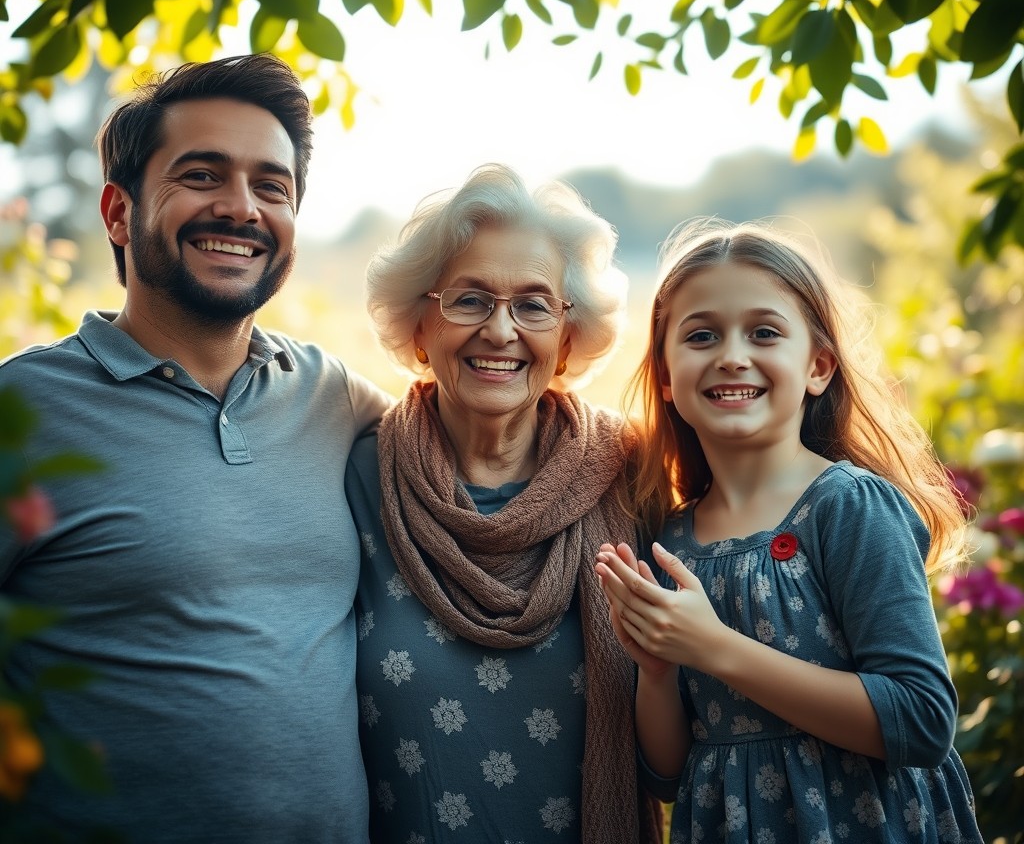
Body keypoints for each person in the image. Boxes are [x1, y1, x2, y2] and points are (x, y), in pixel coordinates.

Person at [0, 55, 390, 842]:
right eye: (202, 175)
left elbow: (495, 447)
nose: (241, 208)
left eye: (271, 187)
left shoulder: (331, 394)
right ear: (119, 212)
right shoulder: (21, 413)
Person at [595, 218, 983, 842]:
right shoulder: (667, 543)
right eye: (700, 335)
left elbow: (921, 720)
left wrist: (713, 646)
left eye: (765, 332)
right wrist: (660, 670)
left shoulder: (848, 508)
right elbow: (668, 776)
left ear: (818, 367)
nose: (731, 354)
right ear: (666, 377)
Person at [345, 163, 661, 843]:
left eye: (534, 304)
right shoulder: (358, 476)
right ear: (419, 329)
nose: (500, 330)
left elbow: (678, 749)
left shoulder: (632, 478)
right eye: (469, 300)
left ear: (569, 339)